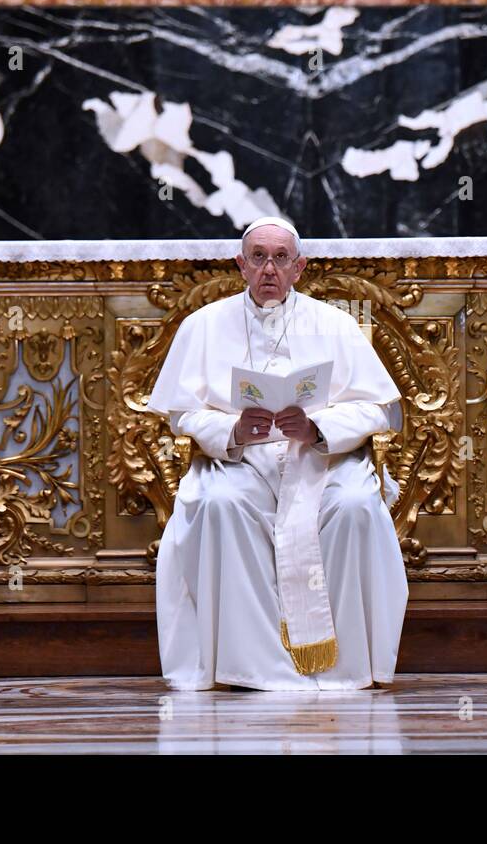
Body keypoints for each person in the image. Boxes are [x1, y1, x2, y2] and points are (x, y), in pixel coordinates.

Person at [147, 216, 407, 690]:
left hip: (322, 460)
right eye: (259, 257)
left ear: (299, 268)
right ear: (241, 265)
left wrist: (317, 428)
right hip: (240, 461)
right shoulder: (203, 326)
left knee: (354, 505)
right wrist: (232, 430)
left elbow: (377, 410)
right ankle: (246, 665)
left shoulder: (335, 324)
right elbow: (181, 415)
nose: (269, 268)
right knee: (219, 504)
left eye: (281, 258)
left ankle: (345, 666)